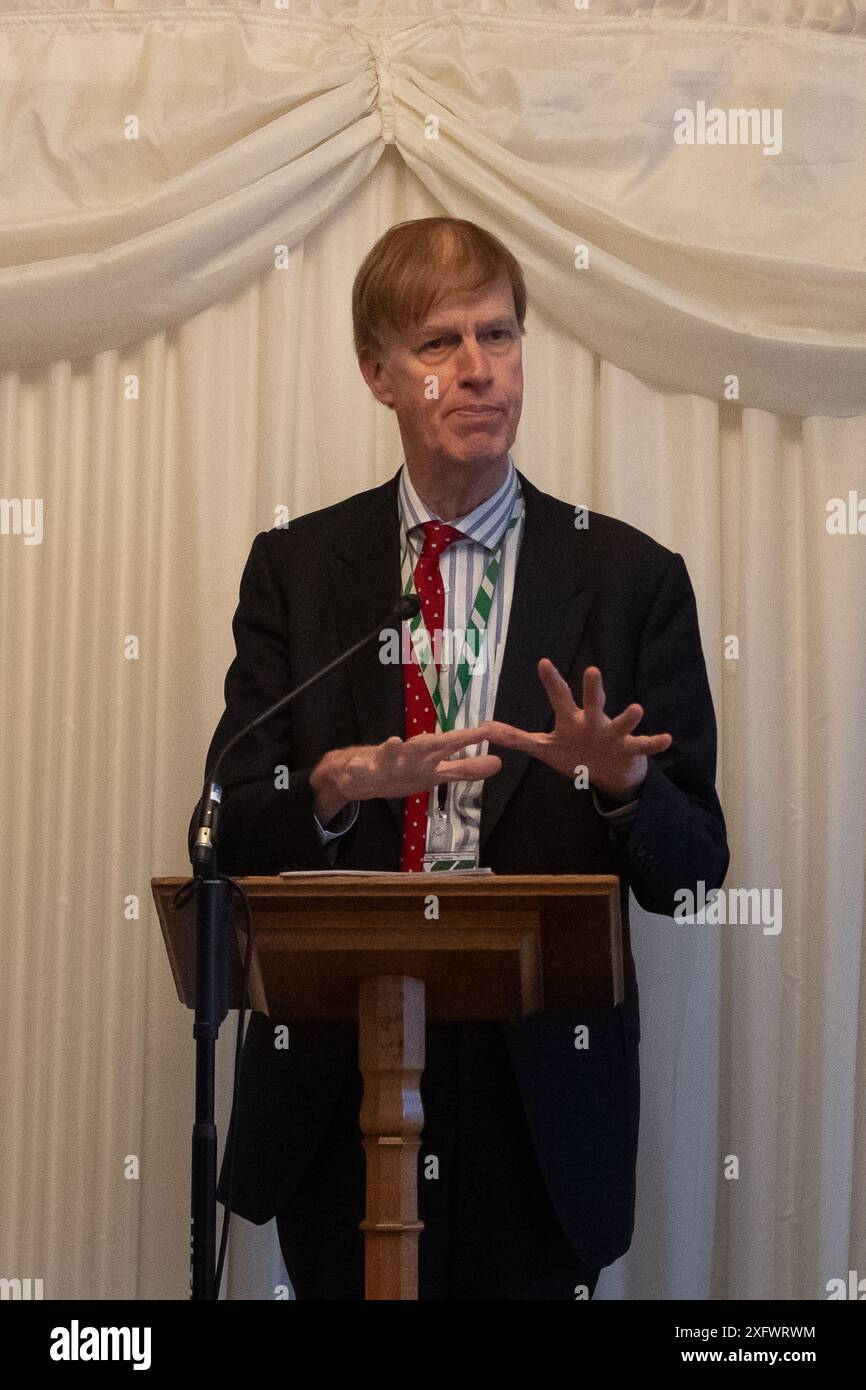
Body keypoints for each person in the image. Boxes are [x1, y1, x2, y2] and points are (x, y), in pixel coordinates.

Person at [189, 216, 729, 1300]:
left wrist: (621, 788)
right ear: (376, 373)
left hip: (536, 1093)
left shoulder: (628, 581)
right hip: (340, 1074)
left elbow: (696, 871)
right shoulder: (297, 571)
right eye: (439, 342)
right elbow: (220, 831)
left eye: (500, 334)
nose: (478, 368)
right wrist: (332, 797)